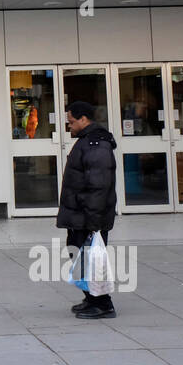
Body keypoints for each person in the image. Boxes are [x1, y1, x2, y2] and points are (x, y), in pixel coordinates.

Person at [57, 101, 119, 319]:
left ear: (84, 119)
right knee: (79, 254)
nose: (69, 126)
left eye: (71, 122)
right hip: (80, 214)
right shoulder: (87, 141)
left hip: (89, 217)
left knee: (91, 259)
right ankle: (91, 298)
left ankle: (103, 304)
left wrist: (94, 223)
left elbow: (98, 186)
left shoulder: (95, 144)